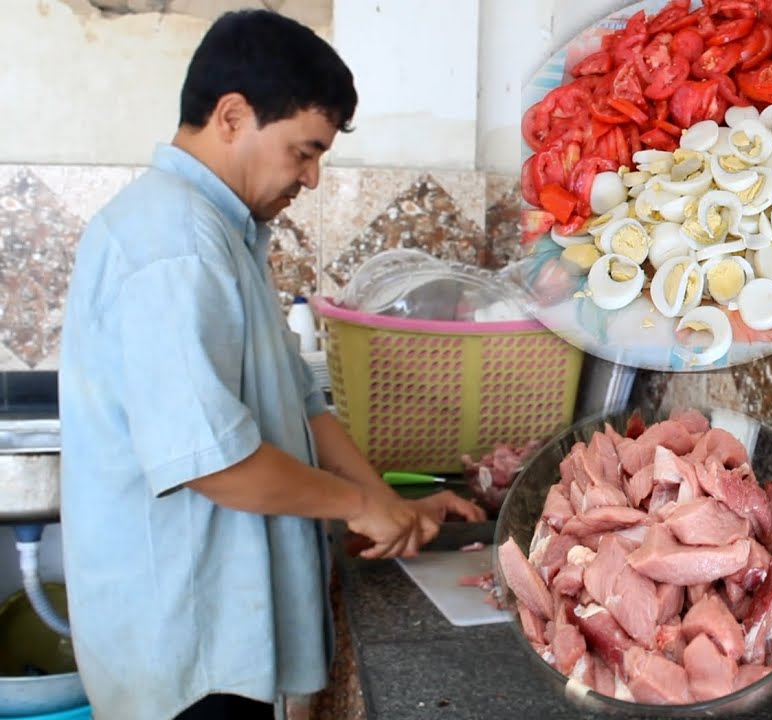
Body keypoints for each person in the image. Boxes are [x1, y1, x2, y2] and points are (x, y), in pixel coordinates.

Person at [57, 10, 484, 720]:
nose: (312, 178)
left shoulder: (225, 232)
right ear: (232, 116)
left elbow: (302, 404)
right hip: (183, 647)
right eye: (303, 151)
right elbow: (212, 462)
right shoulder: (174, 245)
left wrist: (387, 505)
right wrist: (360, 505)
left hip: (219, 635)